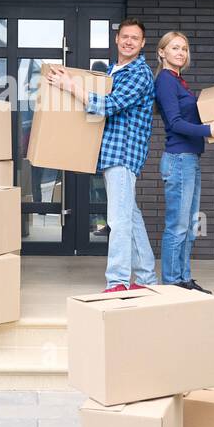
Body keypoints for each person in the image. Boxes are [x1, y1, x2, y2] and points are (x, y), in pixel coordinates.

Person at [44, 18, 156, 292]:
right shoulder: (113, 70)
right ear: (117, 39)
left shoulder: (139, 73)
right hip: (110, 155)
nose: (129, 41)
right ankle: (146, 278)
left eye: (135, 38)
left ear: (142, 44)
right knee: (130, 215)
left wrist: (70, 86)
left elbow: (109, 105)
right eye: (125, 36)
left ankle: (118, 281)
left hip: (123, 155)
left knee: (118, 220)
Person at [152, 31, 214, 293]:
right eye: (175, 48)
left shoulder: (180, 81)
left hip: (190, 158)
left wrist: (212, 123)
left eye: (184, 49)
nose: (180, 53)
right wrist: (208, 130)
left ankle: (184, 278)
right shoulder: (165, 81)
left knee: (188, 226)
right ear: (161, 52)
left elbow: (191, 119)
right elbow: (175, 123)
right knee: (177, 225)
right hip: (178, 159)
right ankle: (172, 281)